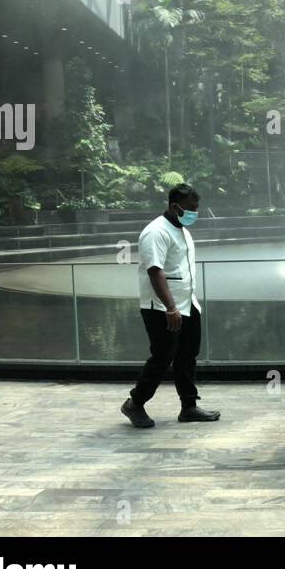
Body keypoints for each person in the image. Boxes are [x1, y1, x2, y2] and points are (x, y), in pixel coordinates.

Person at [120, 184, 220, 429]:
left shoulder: (181, 228)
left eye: (197, 208)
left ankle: (189, 407)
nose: (195, 213)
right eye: (191, 208)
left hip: (188, 305)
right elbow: (155, 272)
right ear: (175, 207)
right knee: (163, 357)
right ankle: (135, 402)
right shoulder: (155, 232)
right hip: (162, 308)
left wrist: (185, 306)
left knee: (187, 355)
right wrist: (171, 308)